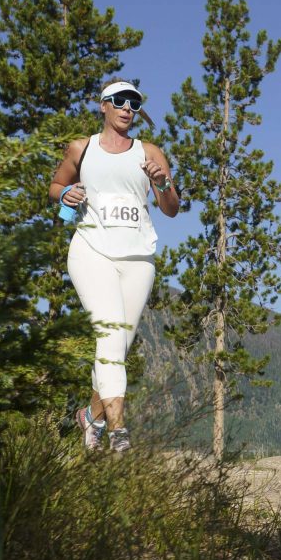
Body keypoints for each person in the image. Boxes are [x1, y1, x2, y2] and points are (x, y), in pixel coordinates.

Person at [48, 78, 180, 452]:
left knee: (117, 347)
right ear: (103, 105)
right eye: (120, 101)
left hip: (138, 258)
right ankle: (119, 433)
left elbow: (171, 209)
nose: (127, 108)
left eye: (134, 103)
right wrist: (67, 193)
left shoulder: (149, 151)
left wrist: (163, 182)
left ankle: (91, 418)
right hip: (91, 250)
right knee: (109, 335)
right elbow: (55, 186)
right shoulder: (82, 148)